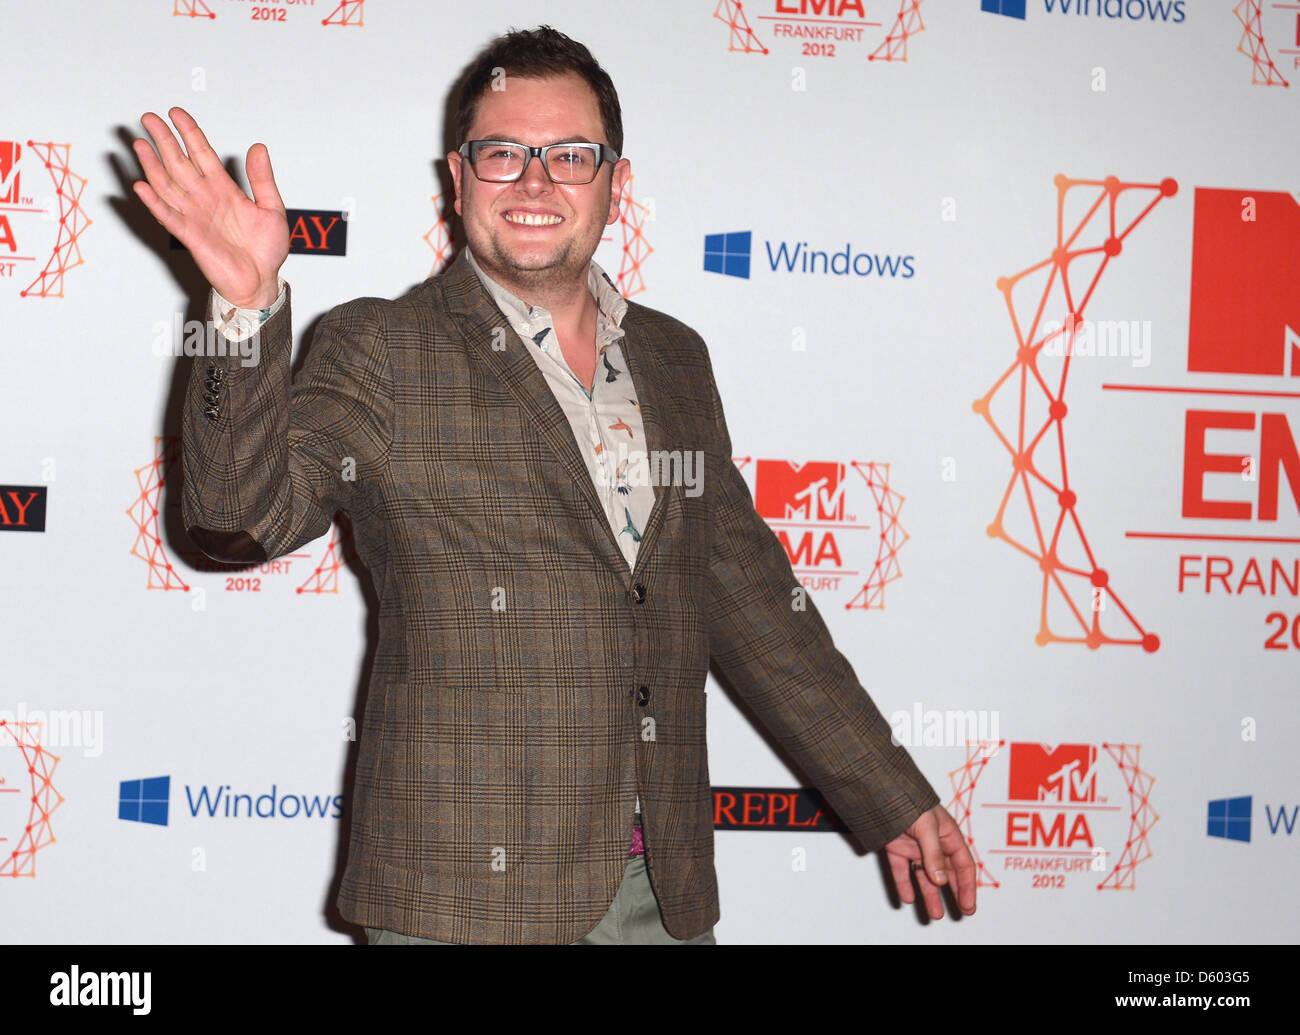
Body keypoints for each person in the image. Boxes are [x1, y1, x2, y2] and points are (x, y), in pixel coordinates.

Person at [131, 25, 976, 945]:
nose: (536, 182)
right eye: (504, 154)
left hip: (664, 889)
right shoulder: (381, 347)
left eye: (570, 155)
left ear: (616, 180)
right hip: (459, 903)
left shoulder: (675, 359)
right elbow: (233, 515)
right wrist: (241, 310)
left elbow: (753, 600)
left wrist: (888, 793)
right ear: (458, 181)